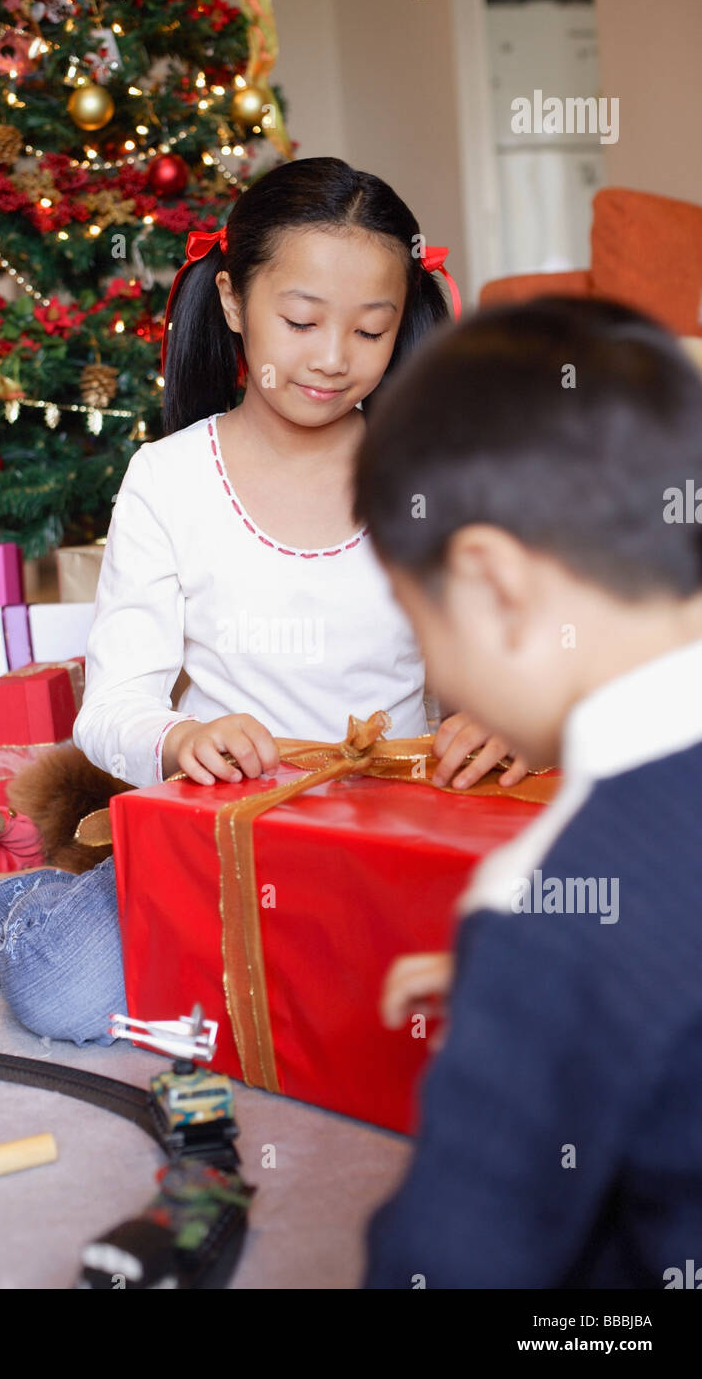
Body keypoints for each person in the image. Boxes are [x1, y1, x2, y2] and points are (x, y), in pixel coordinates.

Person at [0, 157, 526, 1042]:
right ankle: (11, 904)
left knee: (505, 990)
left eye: (371, 331)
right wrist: (183, 739)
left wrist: (499, 717)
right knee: (73, 993)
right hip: (219, 837)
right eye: (300, 320)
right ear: (231, 304)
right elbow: (111, 710)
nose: (333, 360)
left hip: (389, 834)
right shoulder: (170, 479)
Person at [355, 296, 702, 1289]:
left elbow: (447, 1264)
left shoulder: (548, 907)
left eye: (419, 623)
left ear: (496, 588)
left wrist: (525, 987)